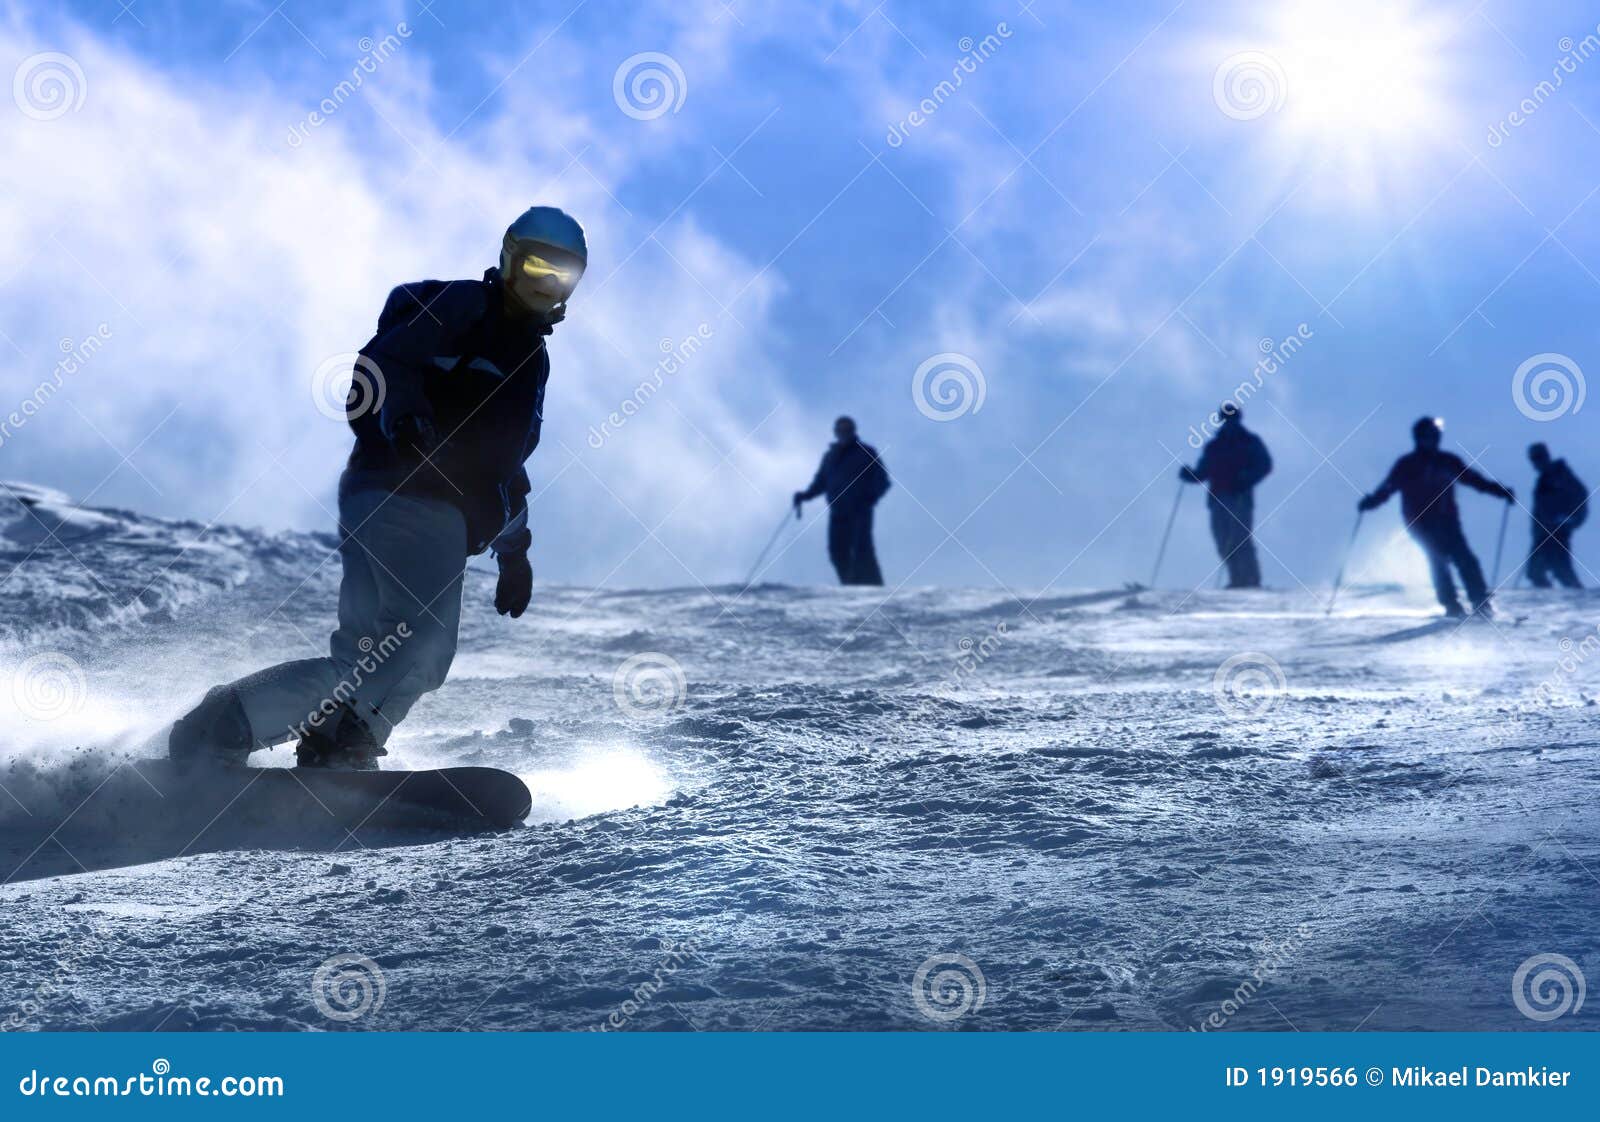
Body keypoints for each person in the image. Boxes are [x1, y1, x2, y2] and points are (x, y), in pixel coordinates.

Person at [168, 205, 587, 769]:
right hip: (418, 496)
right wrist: (407, 421)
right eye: (536, 266)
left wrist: (515, 556)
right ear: (509, 259)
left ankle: (281, 729)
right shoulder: (466, 308)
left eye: (560, 276)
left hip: (386, 500)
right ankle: (308, 734)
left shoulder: (530, 356)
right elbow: (385, 363)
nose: (544, 285)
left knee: (367, 649)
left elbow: (505, 471)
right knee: (422, 646)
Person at [1357, 416, 1513, 618]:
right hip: (1419, 522)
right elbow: (1388, 488)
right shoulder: (1407, 465)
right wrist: (1371, 502)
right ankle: (1451, 604)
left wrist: (1499, 491)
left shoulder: (1448, 461)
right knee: (1437, 559)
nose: (1431, 440)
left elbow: (1473, 479)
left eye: (1434, 436)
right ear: (1418, 438)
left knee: (1464, 558)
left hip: (1447, 520)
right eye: (1427, 436)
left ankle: (1480, 600)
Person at [1180, 404, 1272, 588]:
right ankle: (1237, 579)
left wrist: (1247, 478)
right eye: (1226, 419)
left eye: (1232, 419)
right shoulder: (1214, 447)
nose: (1229, 423)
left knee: (1239, 538)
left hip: (1240, 497)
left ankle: (1251, 580)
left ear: (1238, 419)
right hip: (1217, 499)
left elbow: (1264, 464)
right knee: (1222, 540)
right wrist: (1190, 475)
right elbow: (1203, 471)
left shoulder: (1249, 442)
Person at [793, 416, 890, 586]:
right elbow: (821, 482)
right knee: (837, 551)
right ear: (836, 432)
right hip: (838, 511)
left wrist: (869, 498)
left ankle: (875, 589)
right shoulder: (831, 456)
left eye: (847, 430)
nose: (843, 433)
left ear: (853, 431)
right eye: (840, 430)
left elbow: (882, 480)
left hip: (860, 511)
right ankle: (849, 584)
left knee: (862, 550)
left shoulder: (866, 453)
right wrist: (805, 495)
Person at [1525, 442, 1587, 589]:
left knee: (1560, 569)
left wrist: (1570, 520)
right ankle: (1547, 602)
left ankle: (1581, 602)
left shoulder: (1562, 476)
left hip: (1557, 531)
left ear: (1546, 456)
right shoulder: (1543, 480)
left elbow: (1580, 496)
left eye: (1538, 458)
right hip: (1543, 532)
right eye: (1533, 459)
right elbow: (1539, 510)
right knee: (1535, 571)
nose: (1536, 462)